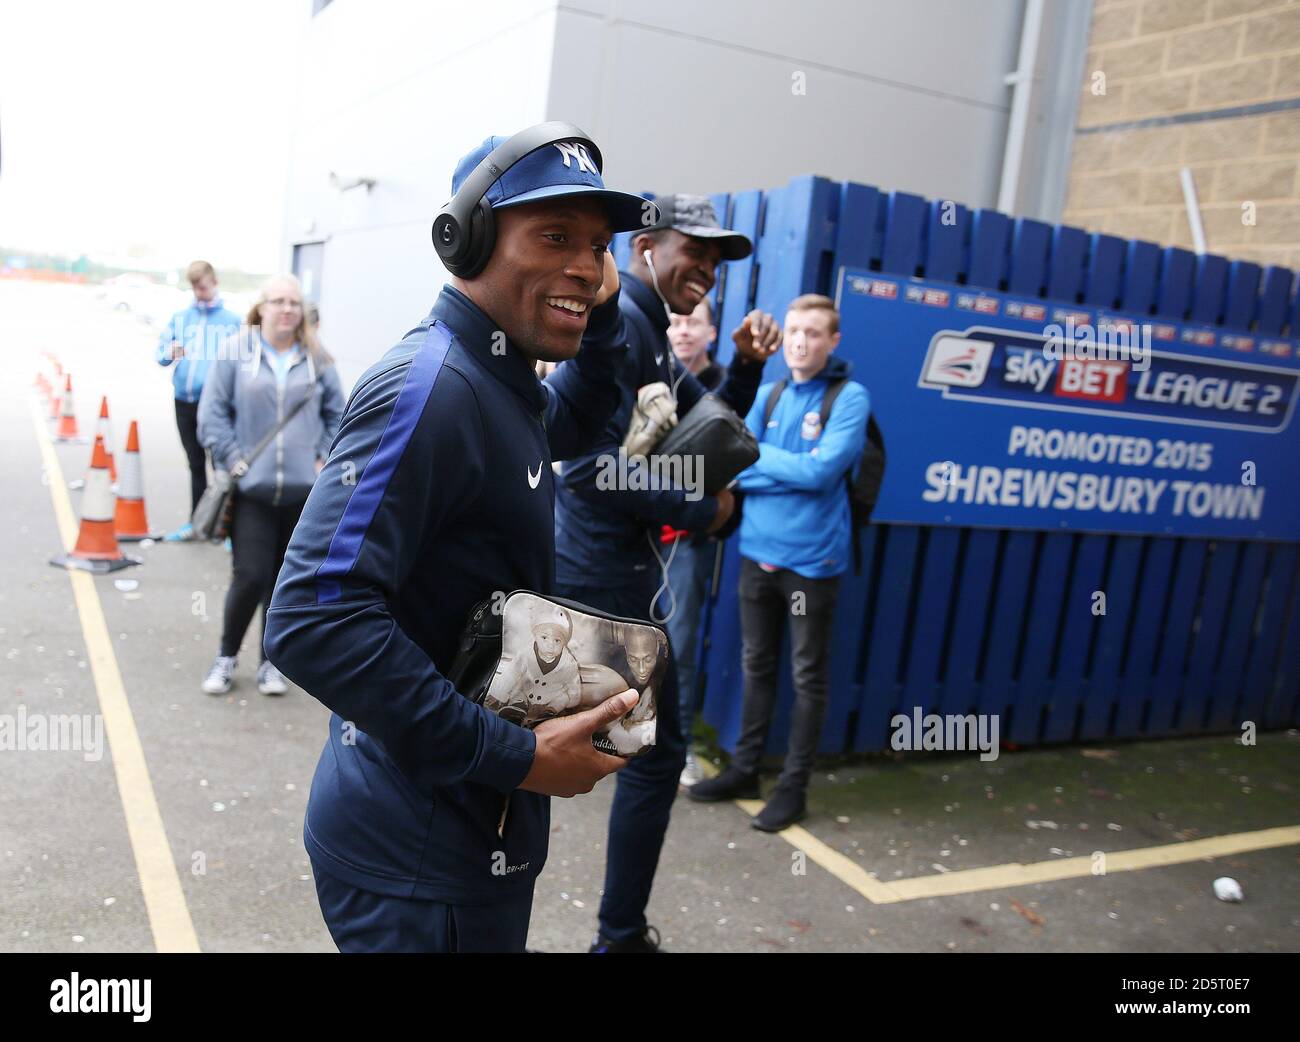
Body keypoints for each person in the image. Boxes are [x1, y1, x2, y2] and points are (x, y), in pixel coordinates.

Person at [262, 124, 656, 953]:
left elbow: (582, 421)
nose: (585, 266)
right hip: (416, 865)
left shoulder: (503, 379)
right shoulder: (433, 390)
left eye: (599, 245)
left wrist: (608, 311)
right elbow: (312, 620)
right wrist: (515, 756)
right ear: (467, 239)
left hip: (467, 842)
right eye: (554, 236)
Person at [553, 193, 781, 952]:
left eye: (719, 263)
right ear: (647, 246)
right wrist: (699, 508)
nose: (709, 272)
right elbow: (583, 467)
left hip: (618, 583)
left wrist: (746, 369)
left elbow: (703, 426)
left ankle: (612, 932)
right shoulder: (623, 335)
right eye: (698, 253)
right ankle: (615, 937)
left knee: (590, 754)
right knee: (628, 757)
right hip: (597, 585)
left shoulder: (652, 339)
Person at [688, 294, 870, 832]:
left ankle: (794, 788)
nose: (800, 341)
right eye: (794, 330)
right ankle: (745, 769)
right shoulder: (767, 394)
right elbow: (737, 468)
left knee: (807, 676)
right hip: (756, 553)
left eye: (813, 333)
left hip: (812, 563)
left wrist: (765, 463)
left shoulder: (850, 397)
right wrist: (785, 468)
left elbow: (822, 474)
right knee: (757, 666)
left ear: (832, 341)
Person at [196, 274, 344, 696]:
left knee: (285, 584)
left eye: (294, 303)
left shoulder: (317, 357)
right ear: (260, 308)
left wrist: (323, 457)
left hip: (304, 497)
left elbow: (339, 414)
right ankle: (226, 657)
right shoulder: (235, 354)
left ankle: (270, 663)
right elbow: (213, 414)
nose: (286, 309)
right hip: (253, 493)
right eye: (277, 301)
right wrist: (232, 458)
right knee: (250, 575)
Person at [660, 297, 723, 786]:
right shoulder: (647, 376)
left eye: (693, 322)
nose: (684, 330)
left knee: (678, 647)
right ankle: (620, 736)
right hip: (637, 537)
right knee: (625, 642)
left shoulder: (723, 389)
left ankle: (675, 749)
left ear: (711, 333)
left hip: (688, 540)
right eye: (677, 321)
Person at [157, 260, 243, 533]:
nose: (199, 293)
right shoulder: (181, 317)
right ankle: (197, 523)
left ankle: (227, 527)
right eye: (194, 288)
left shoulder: (231, 321)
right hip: (184, 400)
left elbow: (244, 361)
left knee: (224, 464)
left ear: (214, 283)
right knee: (195, 463)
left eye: (203, 287)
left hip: (217, 405)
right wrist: (169, 352)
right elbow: (160, 354)